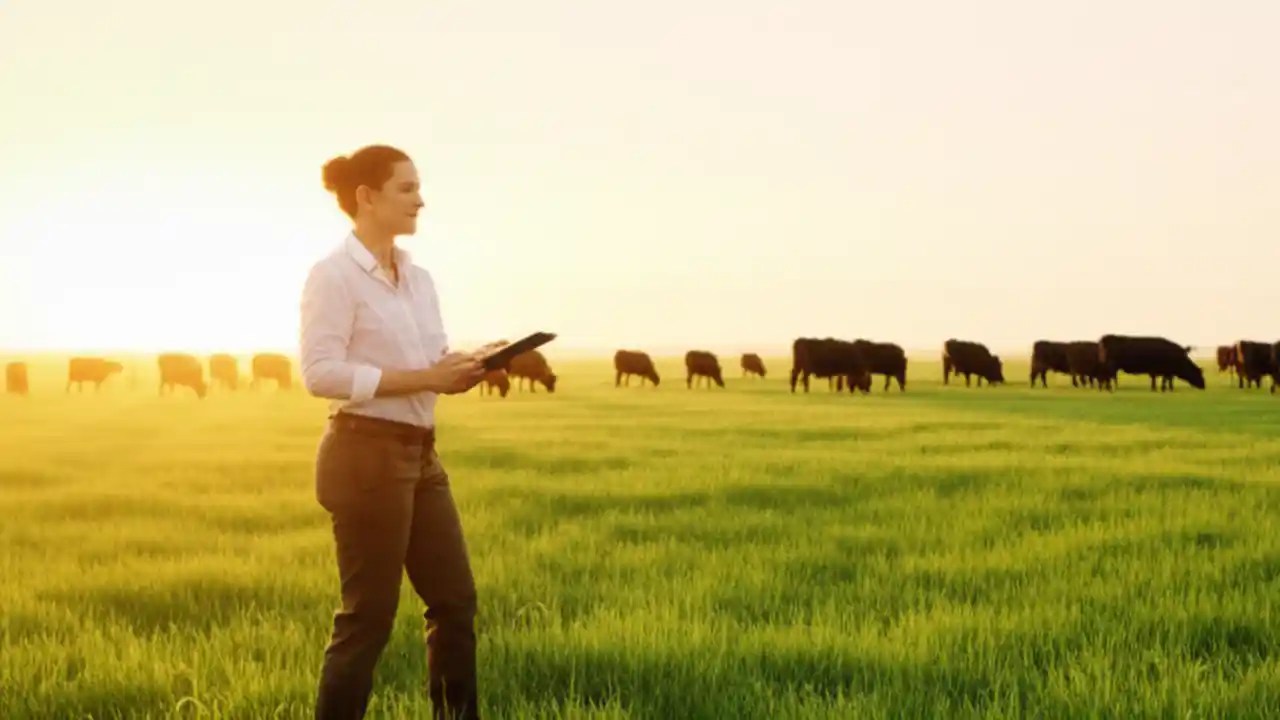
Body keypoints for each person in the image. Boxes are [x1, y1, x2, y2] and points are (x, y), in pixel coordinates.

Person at [300, 144, 493, 719]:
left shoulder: (418, 278)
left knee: (455, 603)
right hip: (363, 456)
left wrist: (464, 365)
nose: (420, 199)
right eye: (407, 188)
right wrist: (425, 376)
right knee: (369, 618)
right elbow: (319, 373)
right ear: (366, 197)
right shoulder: (332, 276)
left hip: (420, 456)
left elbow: (429, 358)